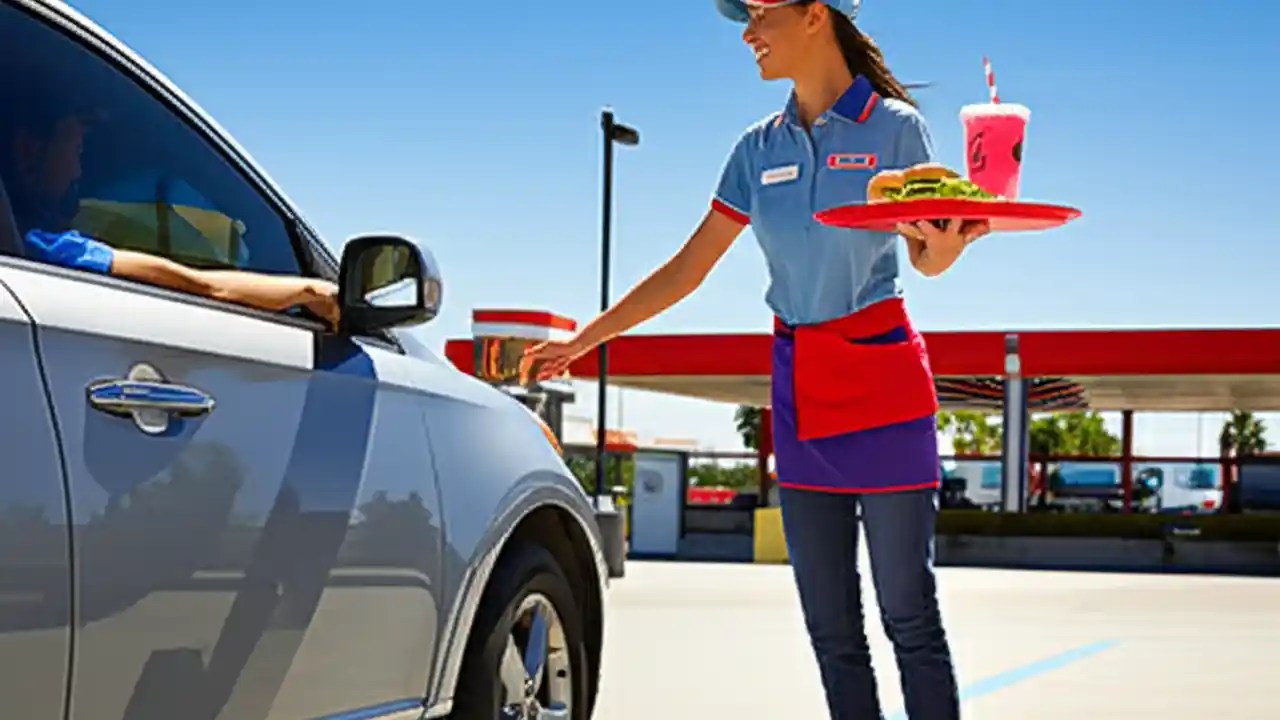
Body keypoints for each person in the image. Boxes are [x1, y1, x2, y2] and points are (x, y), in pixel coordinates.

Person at [523, 2, 987, 718]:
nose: (747, 33)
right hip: (801, 389)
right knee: (833, 632)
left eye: (761, 13)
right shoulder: (756, 149)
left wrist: (947, 251)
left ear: (815, 16)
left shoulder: (895, 128)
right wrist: (586, 339)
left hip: (884, 385)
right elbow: (688, 268)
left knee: (910, 619)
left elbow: (928, 252)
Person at [0, 97, 340, 328]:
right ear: (29, 148)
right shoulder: (45, 246)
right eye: (77, 149)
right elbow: (199, 285)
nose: (78, 172)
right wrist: (308, 292)